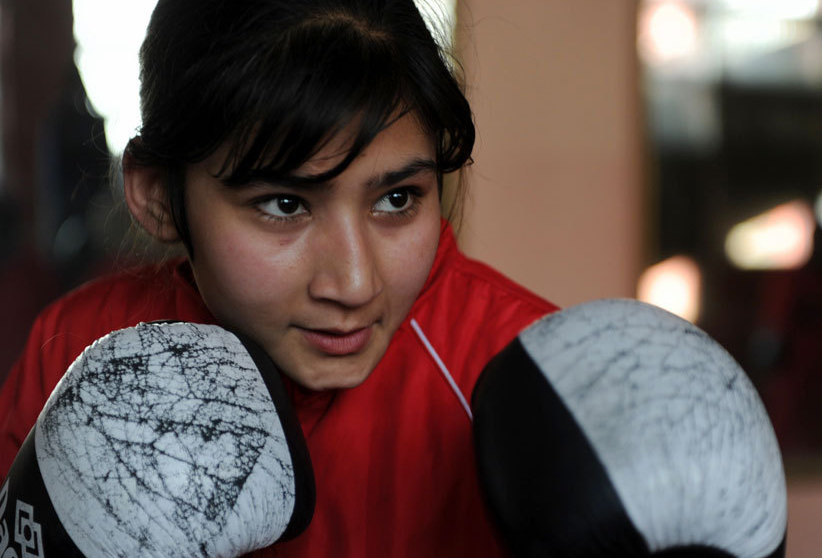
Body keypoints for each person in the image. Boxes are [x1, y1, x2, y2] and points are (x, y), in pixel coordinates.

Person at [0, 0, 556, 555]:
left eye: (397, 198)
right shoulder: (78, 352)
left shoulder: (526, 379)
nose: (356, 284)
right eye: (286, 204)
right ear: (158, 194)